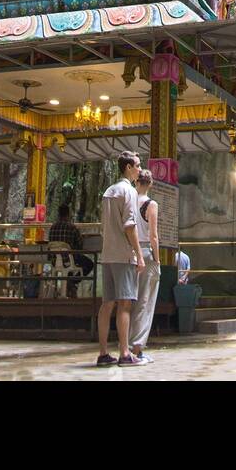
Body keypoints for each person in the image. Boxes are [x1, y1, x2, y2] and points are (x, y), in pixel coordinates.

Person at [96, 151, 145, 367]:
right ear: (128, 167)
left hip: (107, 254)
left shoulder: (109, 191)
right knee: (125, 304)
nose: (140, 169)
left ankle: (103, 353)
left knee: (107, 304)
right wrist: (139, 255)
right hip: (124, 256)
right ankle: (125, 353)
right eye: (137, 165)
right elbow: (130, 226)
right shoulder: (129, 191)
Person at [130, 169, 161, 363]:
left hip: (129, 253)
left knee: (129, 301)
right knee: (145, 302)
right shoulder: (150, 204)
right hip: (146, 254)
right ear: (150, 184)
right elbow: (154, 236)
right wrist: (157, 260)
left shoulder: (128, 201)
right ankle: (137, 347)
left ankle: (126, 346)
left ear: (136, 182)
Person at [48, 204, 93, 293]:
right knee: (89, 264)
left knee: (71, 262)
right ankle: (72, 281)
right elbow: (80, 245)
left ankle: (69, 285)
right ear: (68, 214)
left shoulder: (52, 228)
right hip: (69, 259)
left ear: (58, 214)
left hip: (54, 260)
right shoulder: (72, 227)